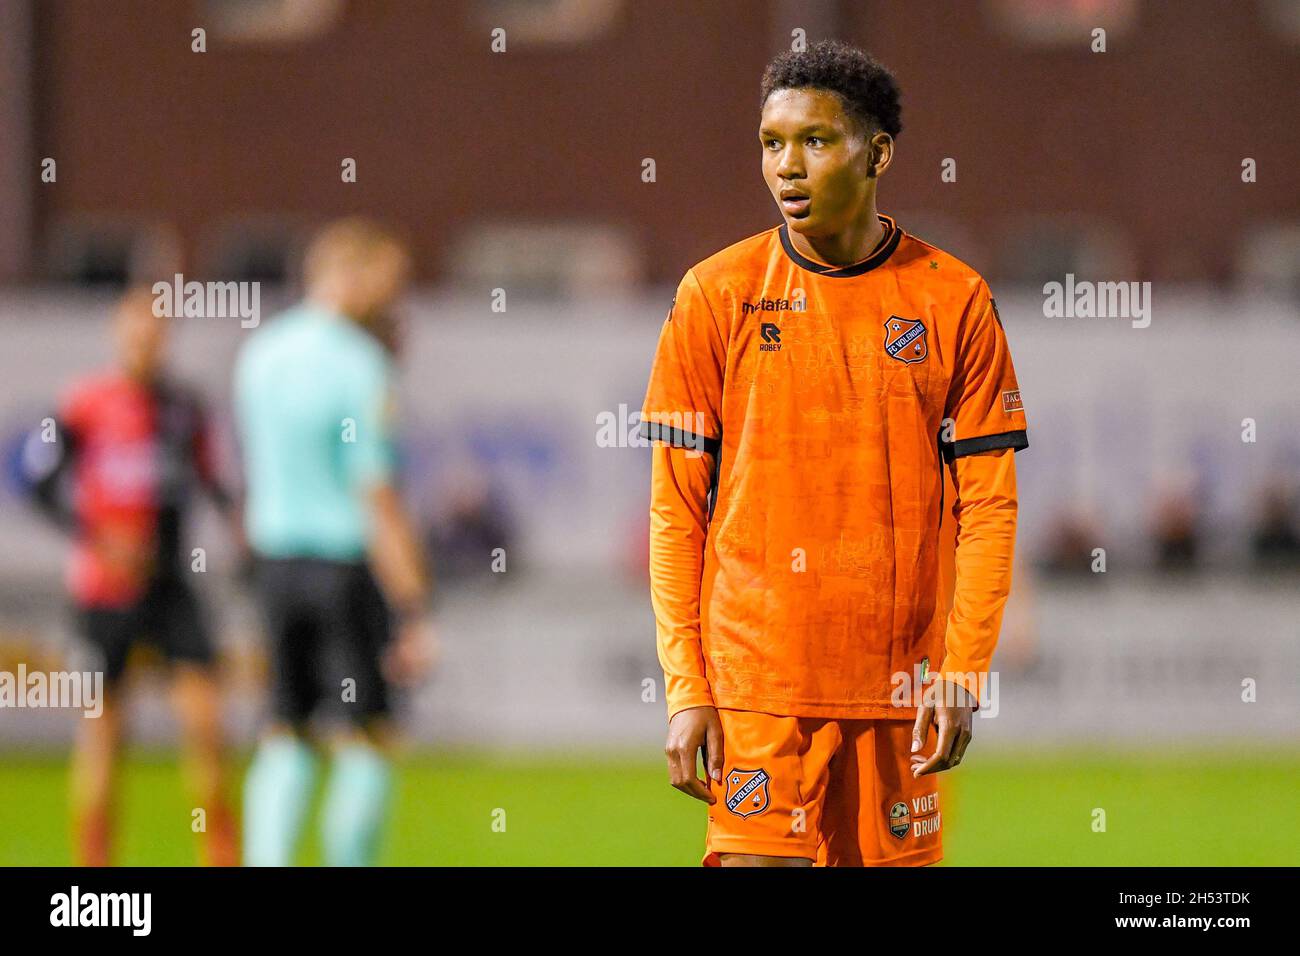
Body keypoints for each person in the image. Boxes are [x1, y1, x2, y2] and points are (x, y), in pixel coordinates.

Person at [641, 41, 1028, 866]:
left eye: (815, 141)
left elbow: (990, 505)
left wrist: (963, 671)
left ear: (877, 152)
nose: (788, 166)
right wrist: (685, 688)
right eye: (772, 143)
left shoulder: (953, 299)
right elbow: (675, 510)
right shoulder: (714, 294)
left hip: (900, 690)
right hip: (759, 685)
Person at [234, 217, 436, 866]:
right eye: (387, 283)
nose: (393, 300)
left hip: (274, 564)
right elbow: (376, 494)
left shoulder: (260, 353)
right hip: (345, 570)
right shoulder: (359, 364)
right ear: (352, 274)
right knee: (367, 737)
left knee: (285, 729)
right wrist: (412, 608)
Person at [22, 287, 240, 866]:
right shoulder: (83, 404)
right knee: (103, 735)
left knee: (206, 724)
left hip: (172, 588)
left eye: (157, 333)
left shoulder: (184, 407)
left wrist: (243, 529)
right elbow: (36, 483)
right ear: (119, 336)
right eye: (137, 333)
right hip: (105, 594)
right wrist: (99, 537)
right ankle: (96, 878)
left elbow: (214, 483)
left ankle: (221, 855)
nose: (147, 344)